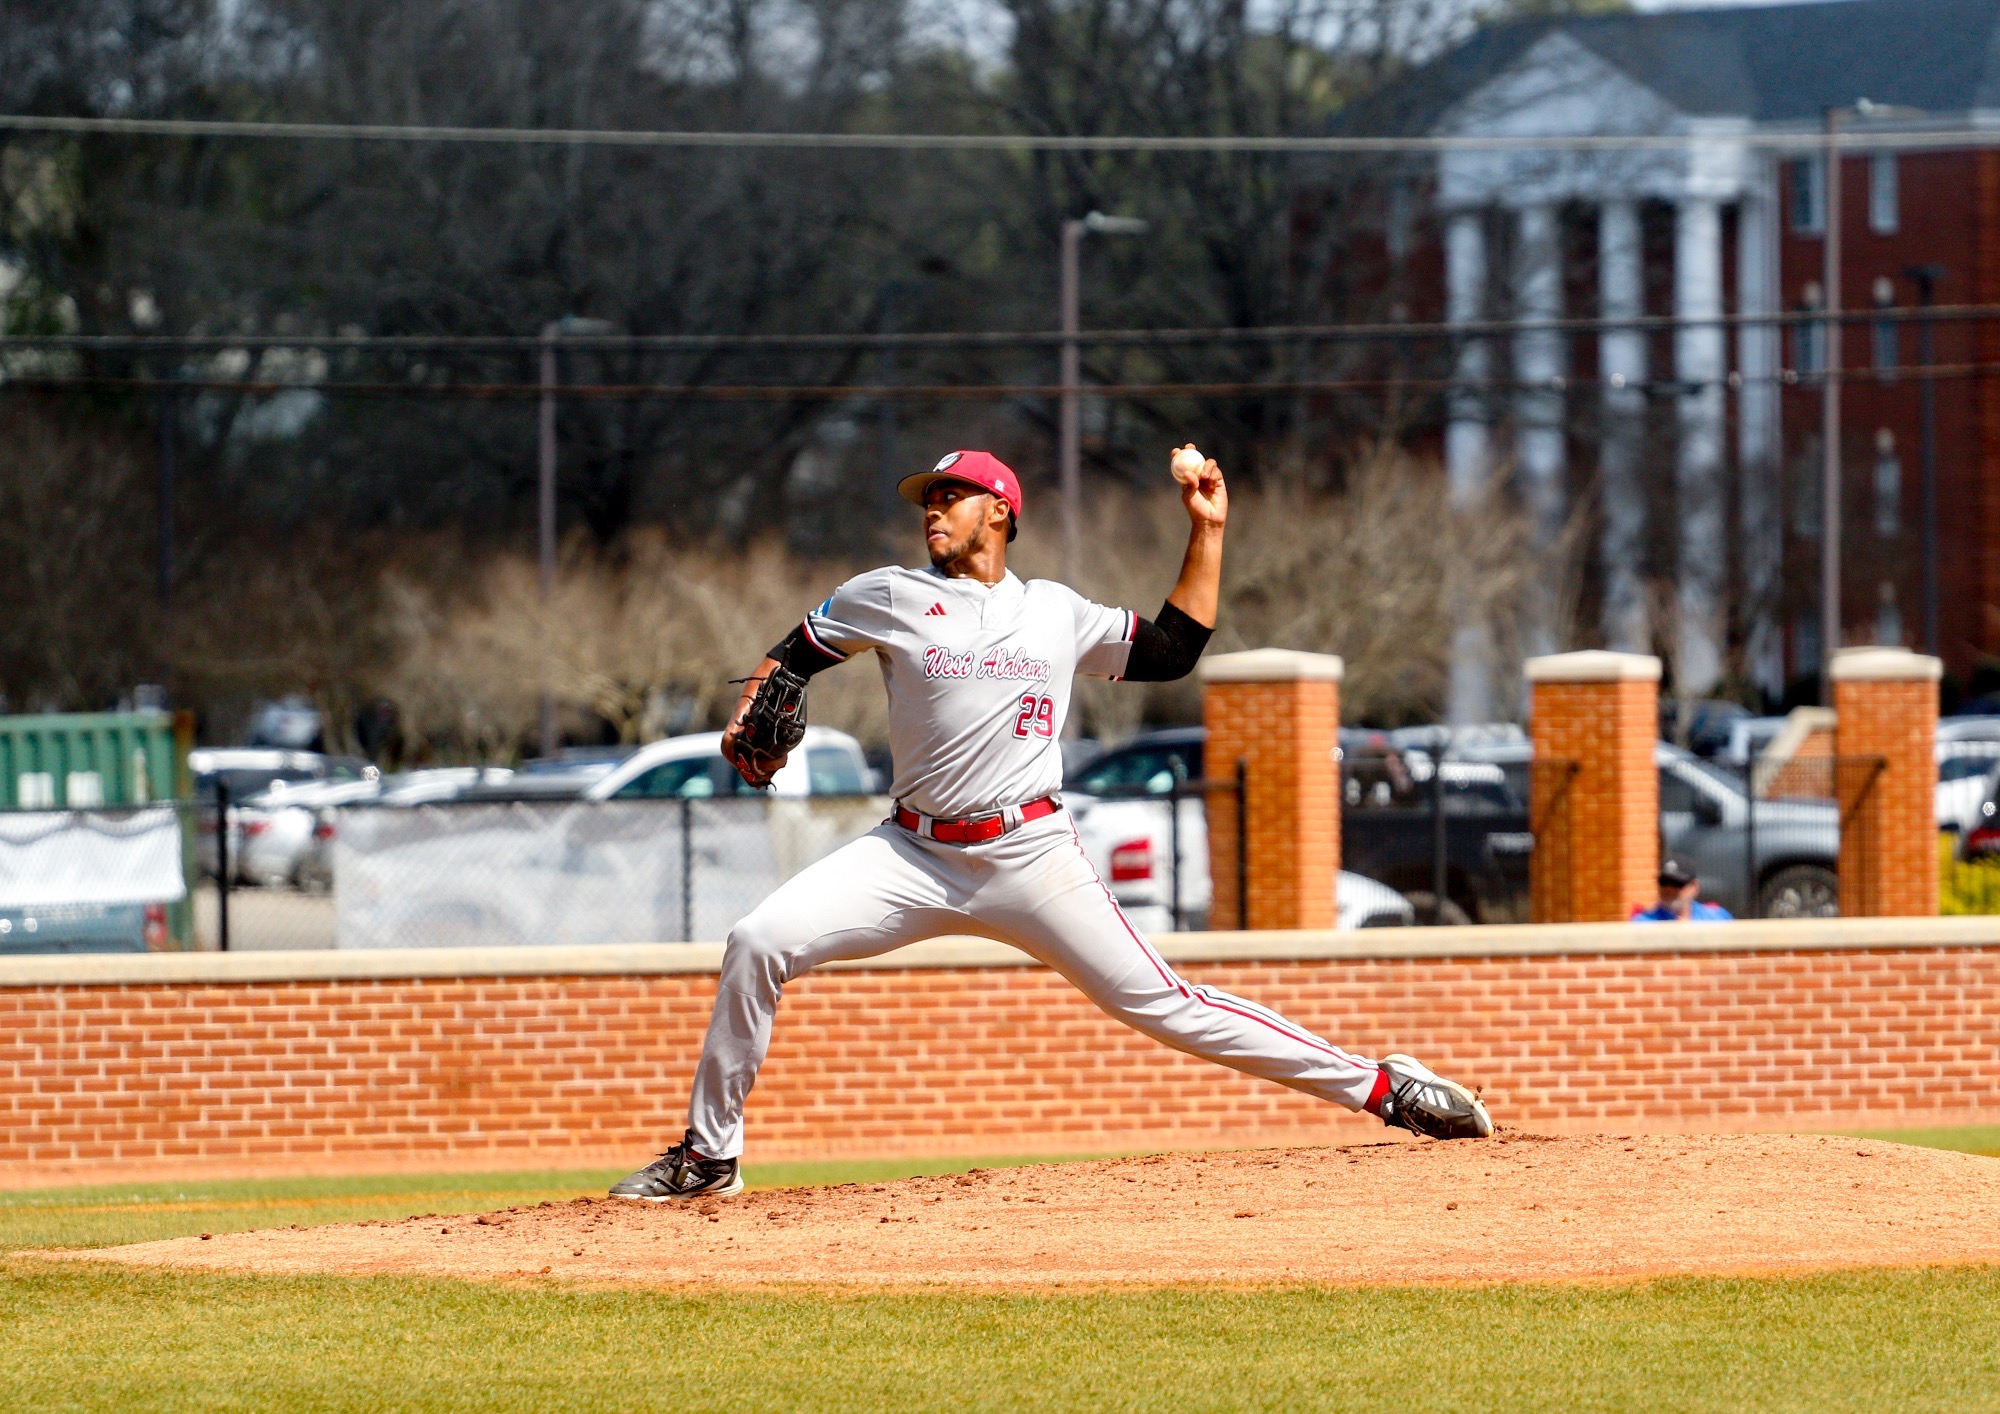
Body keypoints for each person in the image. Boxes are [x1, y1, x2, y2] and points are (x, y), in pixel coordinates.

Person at [609, 448, 1493, 1201]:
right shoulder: (887, 594)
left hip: (1033, 854)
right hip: (911, 852)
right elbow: (798, 651)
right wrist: (757, 703)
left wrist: (1208, 530)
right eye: (927, 499)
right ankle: (707, 1155)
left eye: (950, 496)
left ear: (1001, 510)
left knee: (1168, 1006)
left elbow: (1175, 649)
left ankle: (1385, 1087)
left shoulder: (1058, 612)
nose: (933, 511)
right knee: (758, 939)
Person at [1631, 859, 1735, 922]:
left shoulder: (1716, 918)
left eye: (1677, 883)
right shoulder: (1644, 923)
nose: (1669, 888)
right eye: (1663, 882)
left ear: (1694, 887)